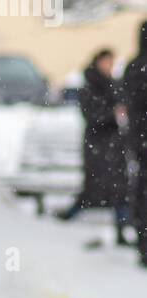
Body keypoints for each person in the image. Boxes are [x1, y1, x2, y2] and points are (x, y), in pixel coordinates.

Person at [57, 49, 130, 244]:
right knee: (101, 187)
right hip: (99, 145)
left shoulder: (113, 84)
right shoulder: (90, 86)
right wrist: (112, 113)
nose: (109, 67)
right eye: (107, 62)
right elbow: (92, 114)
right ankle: (71, 217)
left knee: (118, 189)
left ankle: (122, 228)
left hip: (113, 145)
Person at [124, 21, 147, 267]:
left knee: (141, 188)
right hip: (142, 139)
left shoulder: (133, 67)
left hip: (138, 141)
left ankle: (143, 239)